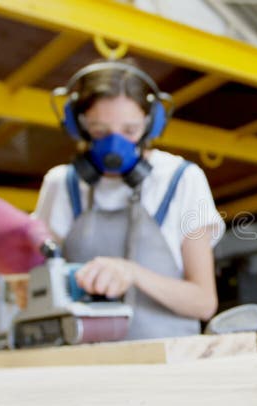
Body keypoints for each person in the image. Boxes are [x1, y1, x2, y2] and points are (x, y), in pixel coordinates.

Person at [33, 59, 225, 340]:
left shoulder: (182, 179)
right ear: (79, 126)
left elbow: (204, 302)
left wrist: (132, 273)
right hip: (84, 367)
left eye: (129, 130)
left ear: (151, 125)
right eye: (100, 132)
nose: (114, 145)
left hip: (167, 366)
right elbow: (37, 285)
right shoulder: (62, 184)